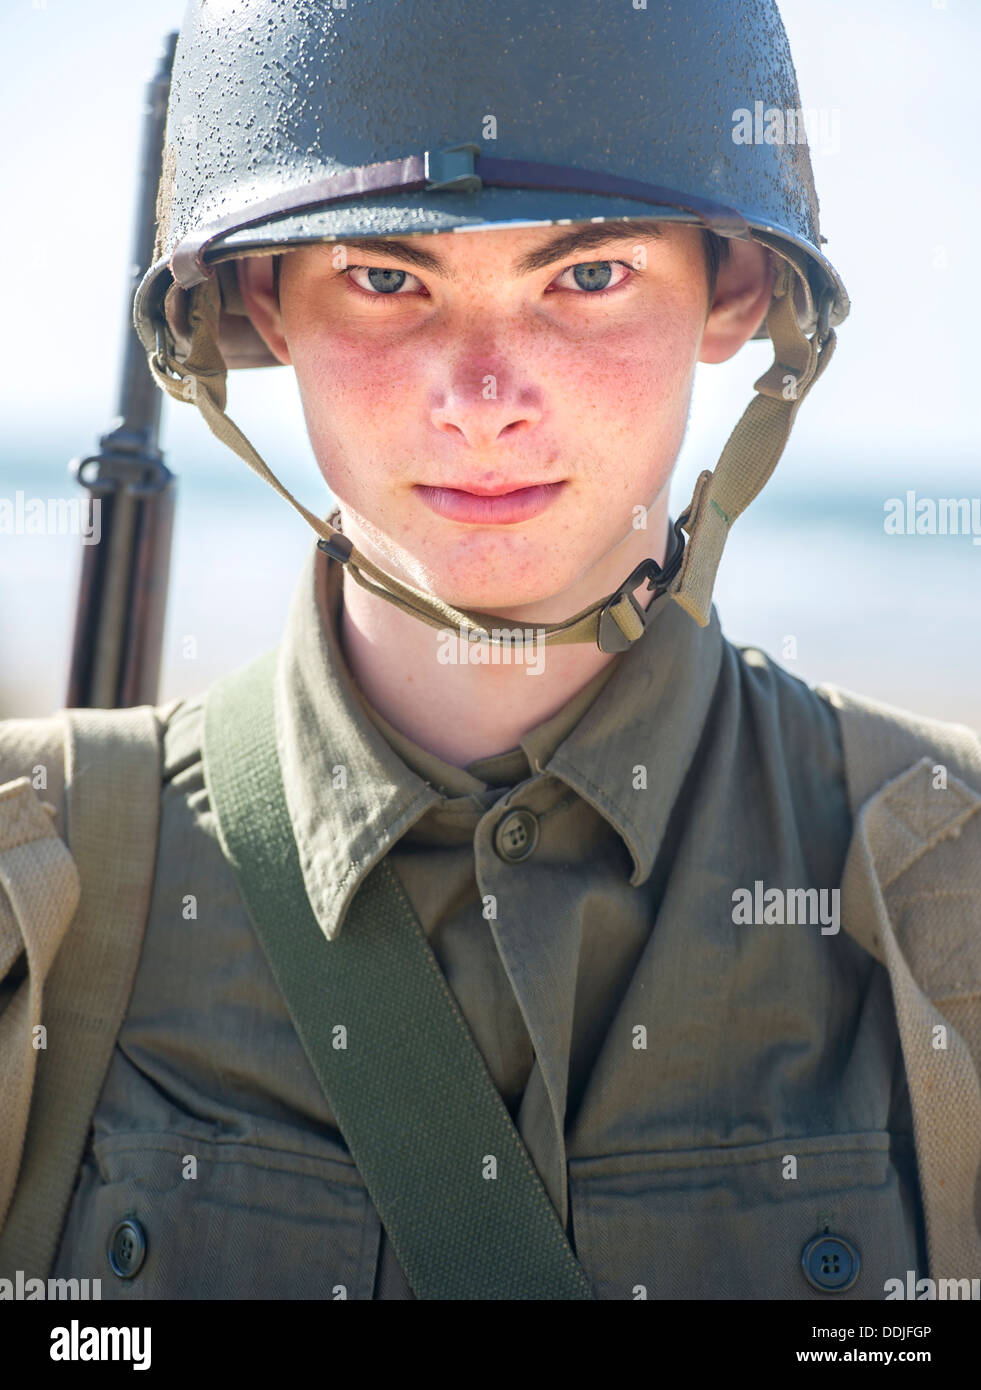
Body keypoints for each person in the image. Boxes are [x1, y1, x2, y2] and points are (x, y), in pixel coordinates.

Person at [3, 0, 980, 1301]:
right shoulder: (42, 878)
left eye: (586, 276)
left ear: (735, 291)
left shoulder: (944, 880)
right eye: (386, 278)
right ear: (261, 302)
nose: (480, 400)